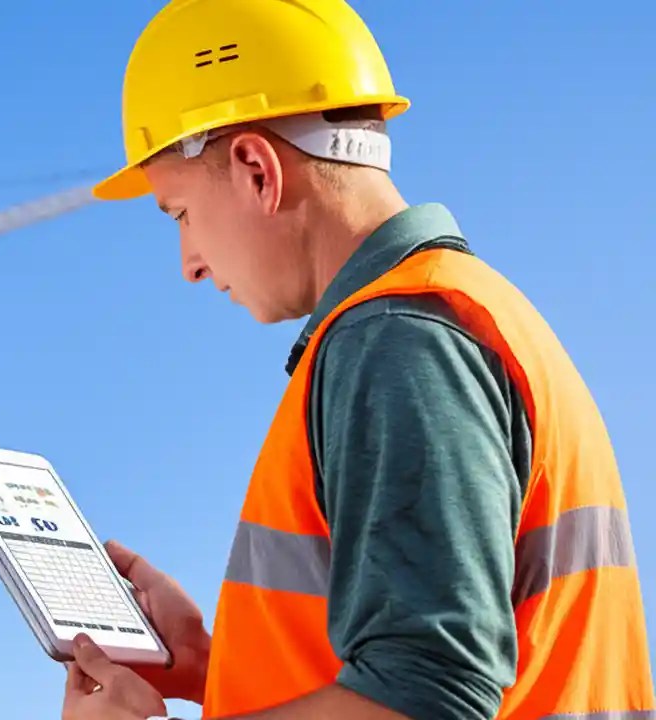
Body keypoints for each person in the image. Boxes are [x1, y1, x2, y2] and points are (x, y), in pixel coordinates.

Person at [61, 2, 656, 719]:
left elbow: (432, 693)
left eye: (179, 213)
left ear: (256, 169)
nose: (188, 263)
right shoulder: (459, 312)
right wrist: (211, 669)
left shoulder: (400, 340)